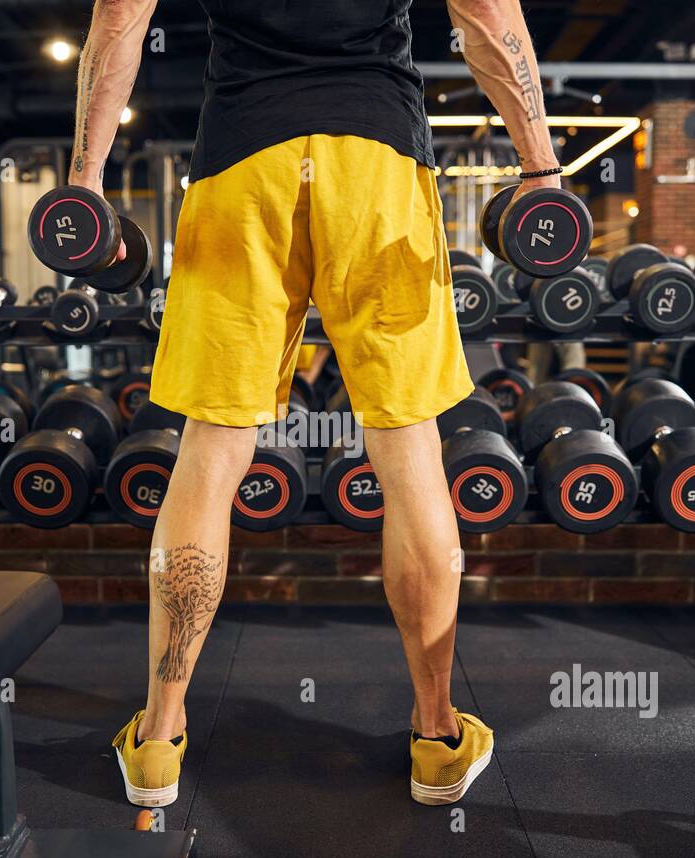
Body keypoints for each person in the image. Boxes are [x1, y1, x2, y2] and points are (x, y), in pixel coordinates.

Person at [68, 0, 562, 808]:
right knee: (409, 452)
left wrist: (85, 182)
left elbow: (120, 20)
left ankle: (159, 739)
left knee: (209, 451)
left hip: (240, 161)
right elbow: (486, 20)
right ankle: (436, 739)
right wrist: (540, 170)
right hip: (378, 163)